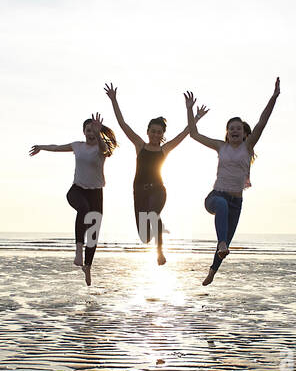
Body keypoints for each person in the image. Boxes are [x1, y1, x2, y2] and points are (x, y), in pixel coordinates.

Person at [186, 77, 281, 286]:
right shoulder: (221, 147)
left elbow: (262, 122)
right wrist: (189, 110)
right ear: (227, 134)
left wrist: (273, 97)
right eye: (231, 128)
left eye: (239, 128)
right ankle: (220, 243)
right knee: (220, 209)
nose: (235, 131)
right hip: (215, 197)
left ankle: (212, 271)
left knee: (225, 246)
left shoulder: (248, 148)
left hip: (236, 203)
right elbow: (193, 134)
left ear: (245, 134)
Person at [103, 82, 199, 265]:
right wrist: (114, 100)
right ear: (147, 132)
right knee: (144, 237)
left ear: (163, 134)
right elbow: (123, 124)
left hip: (158, 191)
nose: (156, 135)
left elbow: (186, 132)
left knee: (154, 214)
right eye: (153, 131)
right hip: (139, 192)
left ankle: (160, 252)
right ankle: (158, 234)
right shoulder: (140, 146)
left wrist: (192, 113)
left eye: (159, 132)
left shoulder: (165, 149)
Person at [29, 113, 118, 285]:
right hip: (76, 191)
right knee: (83, 210)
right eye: (88, 130)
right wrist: (41, 146)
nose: (91, 133)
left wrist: (100, 134)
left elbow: (104, 150)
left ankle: (88, 267)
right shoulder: (77, 146)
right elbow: (56, 147)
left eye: (94, 130)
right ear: (84, 131)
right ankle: (78, 251)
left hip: (96, 193)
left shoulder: (101, 147)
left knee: (93, 234)